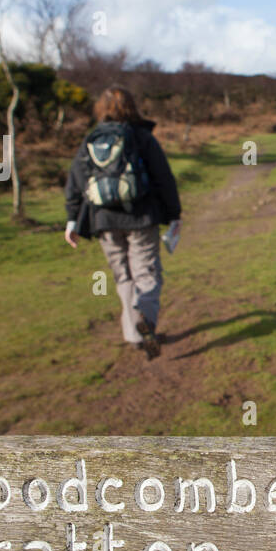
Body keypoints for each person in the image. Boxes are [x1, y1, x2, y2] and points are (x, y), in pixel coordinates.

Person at [64, 86, 181, 360]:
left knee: (123, 275)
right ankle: (145, 317)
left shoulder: (91, 140)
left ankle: (134, 334)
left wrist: (72, 220)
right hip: (141, 217)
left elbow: (76, 182)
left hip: (103, 219)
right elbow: (163, 178)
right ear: (132, 106)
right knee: (147, 272)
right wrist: (174, 214)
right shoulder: (141, 137)